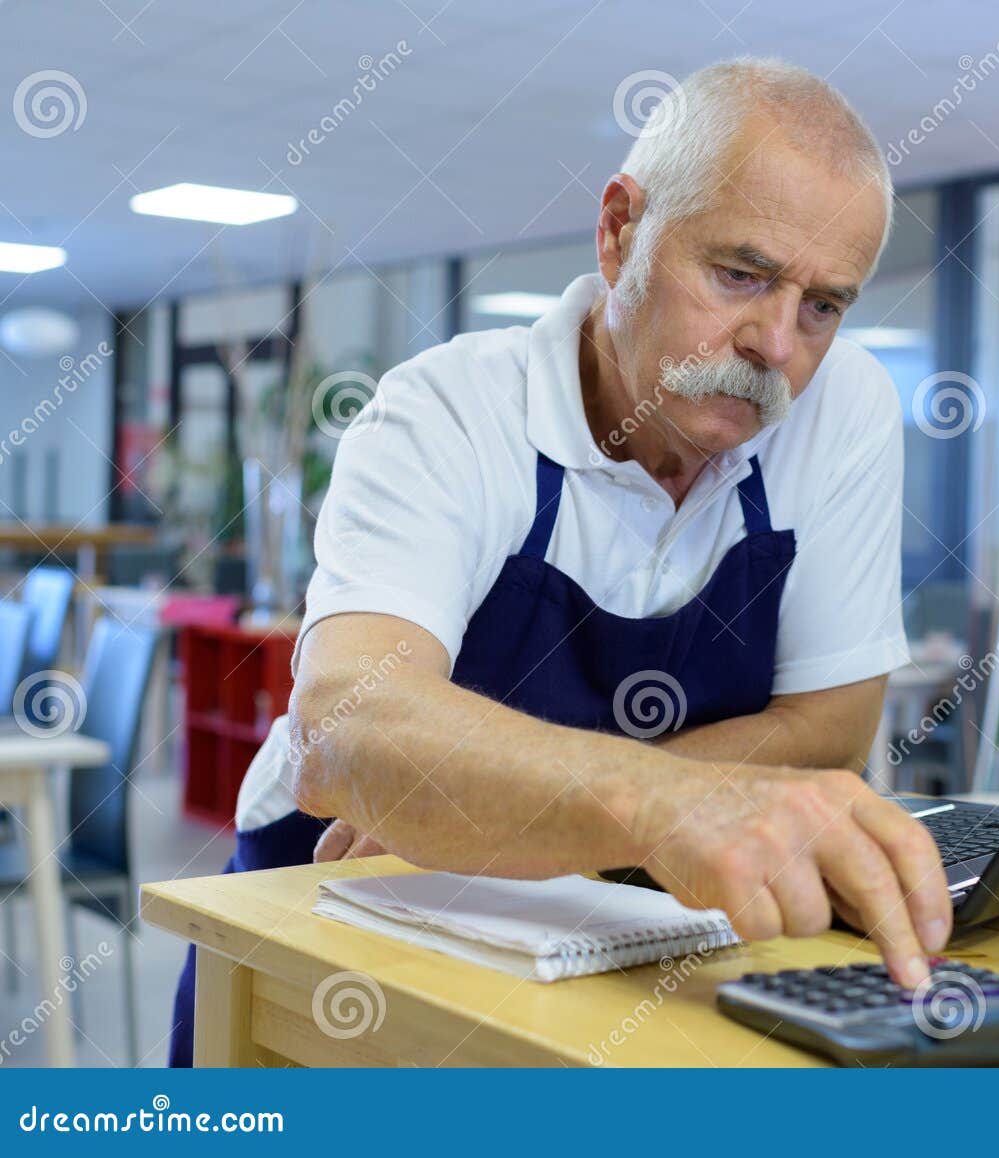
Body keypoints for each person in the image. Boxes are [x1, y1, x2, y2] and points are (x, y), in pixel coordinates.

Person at [169, 57, 950, 1065]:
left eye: (823, 307)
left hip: (621, 930)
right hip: (329, 905)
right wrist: (659, 810)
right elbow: (351, 729)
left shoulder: (842, 410)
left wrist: (499, 816)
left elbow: (831, 726)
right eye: (740, 275)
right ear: (621, 231)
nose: (775, 344)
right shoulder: (445, 413)